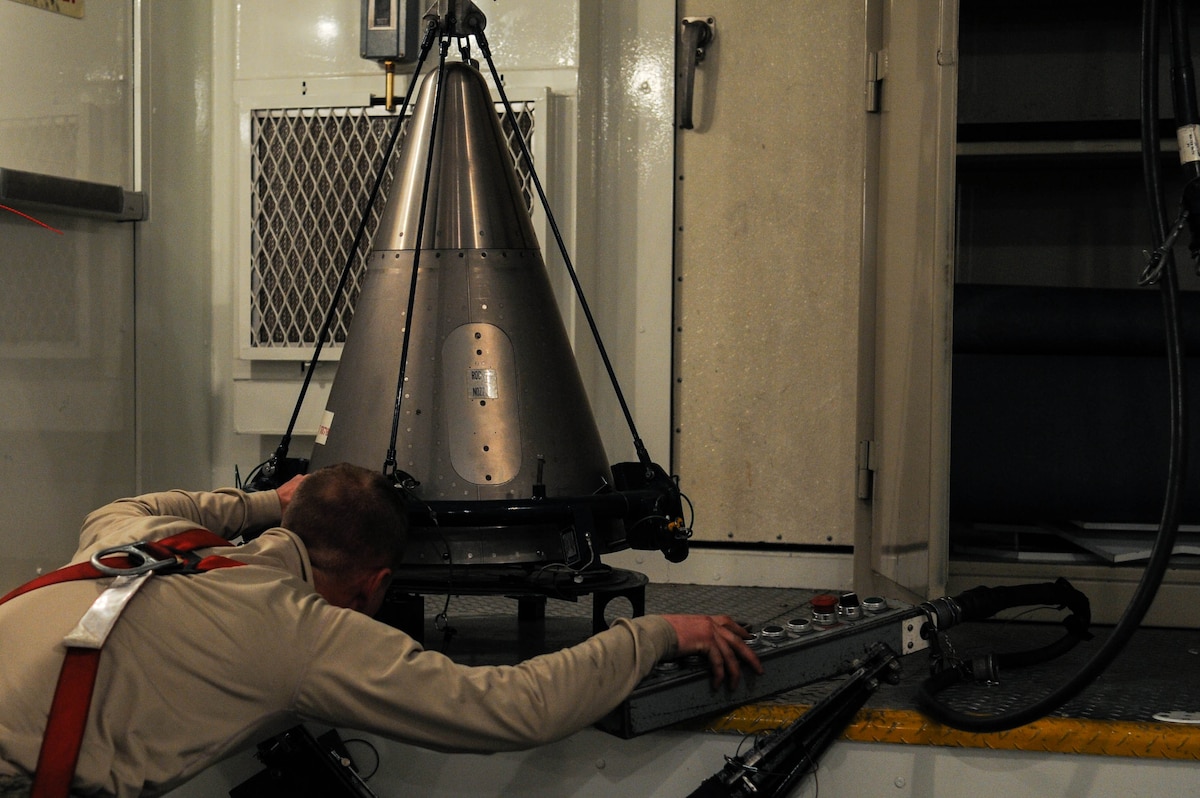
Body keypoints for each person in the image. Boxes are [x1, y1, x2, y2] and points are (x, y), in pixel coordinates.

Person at [0, 463, 762, 797]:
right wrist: (656, 634)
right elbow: (509, 708)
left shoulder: (127, 534)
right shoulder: (294, 634)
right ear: (374, 585)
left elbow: (152, 499)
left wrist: (267, 503)